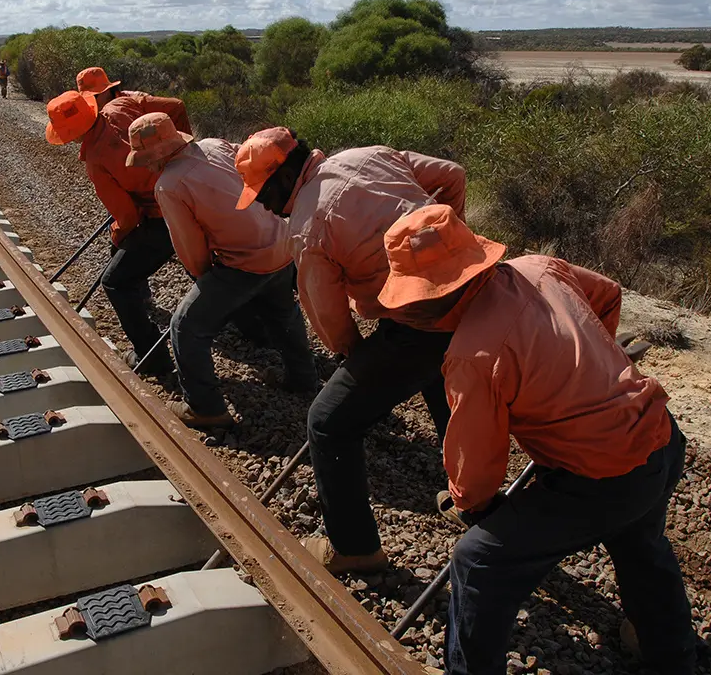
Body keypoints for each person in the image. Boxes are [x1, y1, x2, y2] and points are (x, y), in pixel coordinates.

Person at [375, 204, 695, 675]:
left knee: (478, 561)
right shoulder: (538, 268)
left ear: (433, 297)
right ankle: (673, 655)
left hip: (604, 474)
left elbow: (477, 463)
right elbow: (606, 294)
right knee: (640, 544)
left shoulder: (473, 356)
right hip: (660, 435)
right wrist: (592, 359)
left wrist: (471, 505)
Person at [234, 129, 467, 573]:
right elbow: (452, 175)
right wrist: (443, 239)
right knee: (439, 379)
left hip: (423, 317)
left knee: (327, 422)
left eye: (262, 193)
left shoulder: (308, 225)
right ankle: (473, 493)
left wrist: (354, 355)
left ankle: (355, 548)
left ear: (284, 177)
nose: (262, 205)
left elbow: (328, 318)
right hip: (474, 281)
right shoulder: (370, 155)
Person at [125, 112, 317, 429]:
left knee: (186, 326)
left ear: (155, 155)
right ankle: (303, 376)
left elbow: (189, 248)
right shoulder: (214, 145)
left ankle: (205, 407)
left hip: (245, 260)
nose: (145, 165)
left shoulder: (169, 185)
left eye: (144, 158)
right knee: (282, 312)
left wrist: (205, 278)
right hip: (281, 243)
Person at [44, 70, 191, 376]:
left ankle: (152, 357)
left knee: (115, 281)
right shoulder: (120, 107)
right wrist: (184, 153)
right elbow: (174, 107)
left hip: (165, 215)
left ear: (70, 134)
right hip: (190, 191)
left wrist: (116, 234)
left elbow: (127, 218)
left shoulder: (96, 161)